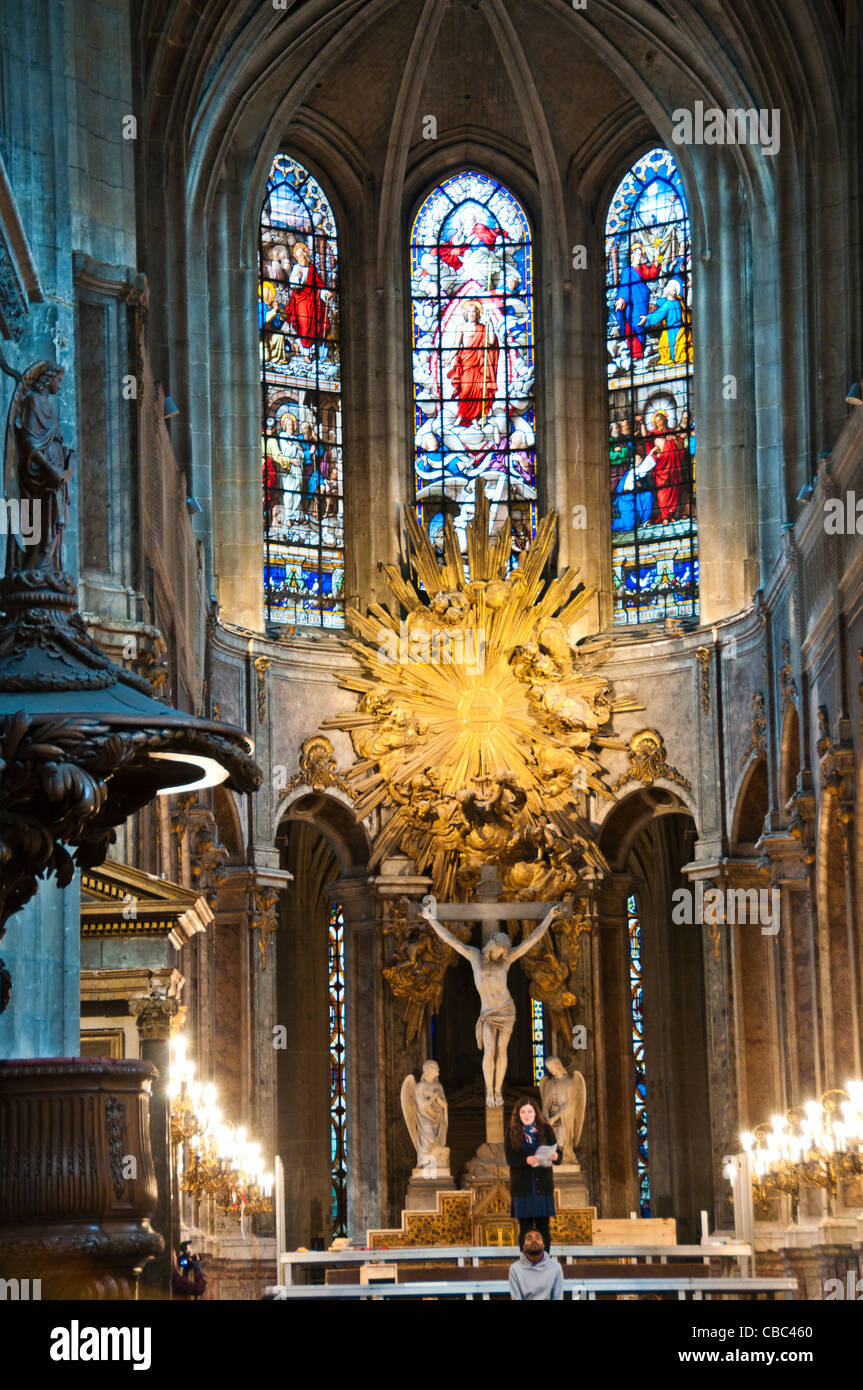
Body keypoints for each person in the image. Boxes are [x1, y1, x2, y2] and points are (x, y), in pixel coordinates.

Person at [504, 1097, 561, 1251]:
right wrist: (526, 1160)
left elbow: (558, 1154)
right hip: (523, 1188)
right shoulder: (511, 1132)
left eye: (530, 1111)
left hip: (542, 1186)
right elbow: (510, 1159)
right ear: (518, 1115)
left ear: (536, 1113)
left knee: (543, 1227)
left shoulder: (546, 1130)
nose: (527, 1115)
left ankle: (546, 1261)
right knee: (525, 1228)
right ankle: (525, 1263)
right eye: (523, 1112)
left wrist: (555, 1157)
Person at [508, 1228, 564, 1301]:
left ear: (543, 1245)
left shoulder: (555, 1267)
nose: (534, 1241)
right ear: (524, 1247)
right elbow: (516, 1297)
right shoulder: (515, 1268)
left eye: (538, 1238)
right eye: (529, 1238)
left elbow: (557, 1297)